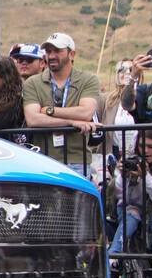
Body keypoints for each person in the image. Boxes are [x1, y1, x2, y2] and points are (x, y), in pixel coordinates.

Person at [21, 32, 101, 175]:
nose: (51, 56)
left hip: (77, 160)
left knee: (77, 198)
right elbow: (33, 119)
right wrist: (72, 122)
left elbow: (86, 112)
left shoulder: (88, 80)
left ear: (71, 54)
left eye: (57, 51)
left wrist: (49, 111)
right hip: (42, 158)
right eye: (48, 51)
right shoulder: (32, 83)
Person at [107, 130, 152, 278]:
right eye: (142, 146)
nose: (146, 151)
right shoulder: (130, 161)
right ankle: (113, 255)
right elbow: (119, 195)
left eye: (151, 147)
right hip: (130, 208)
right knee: (131, 213)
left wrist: (146, 177)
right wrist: (122, 174)